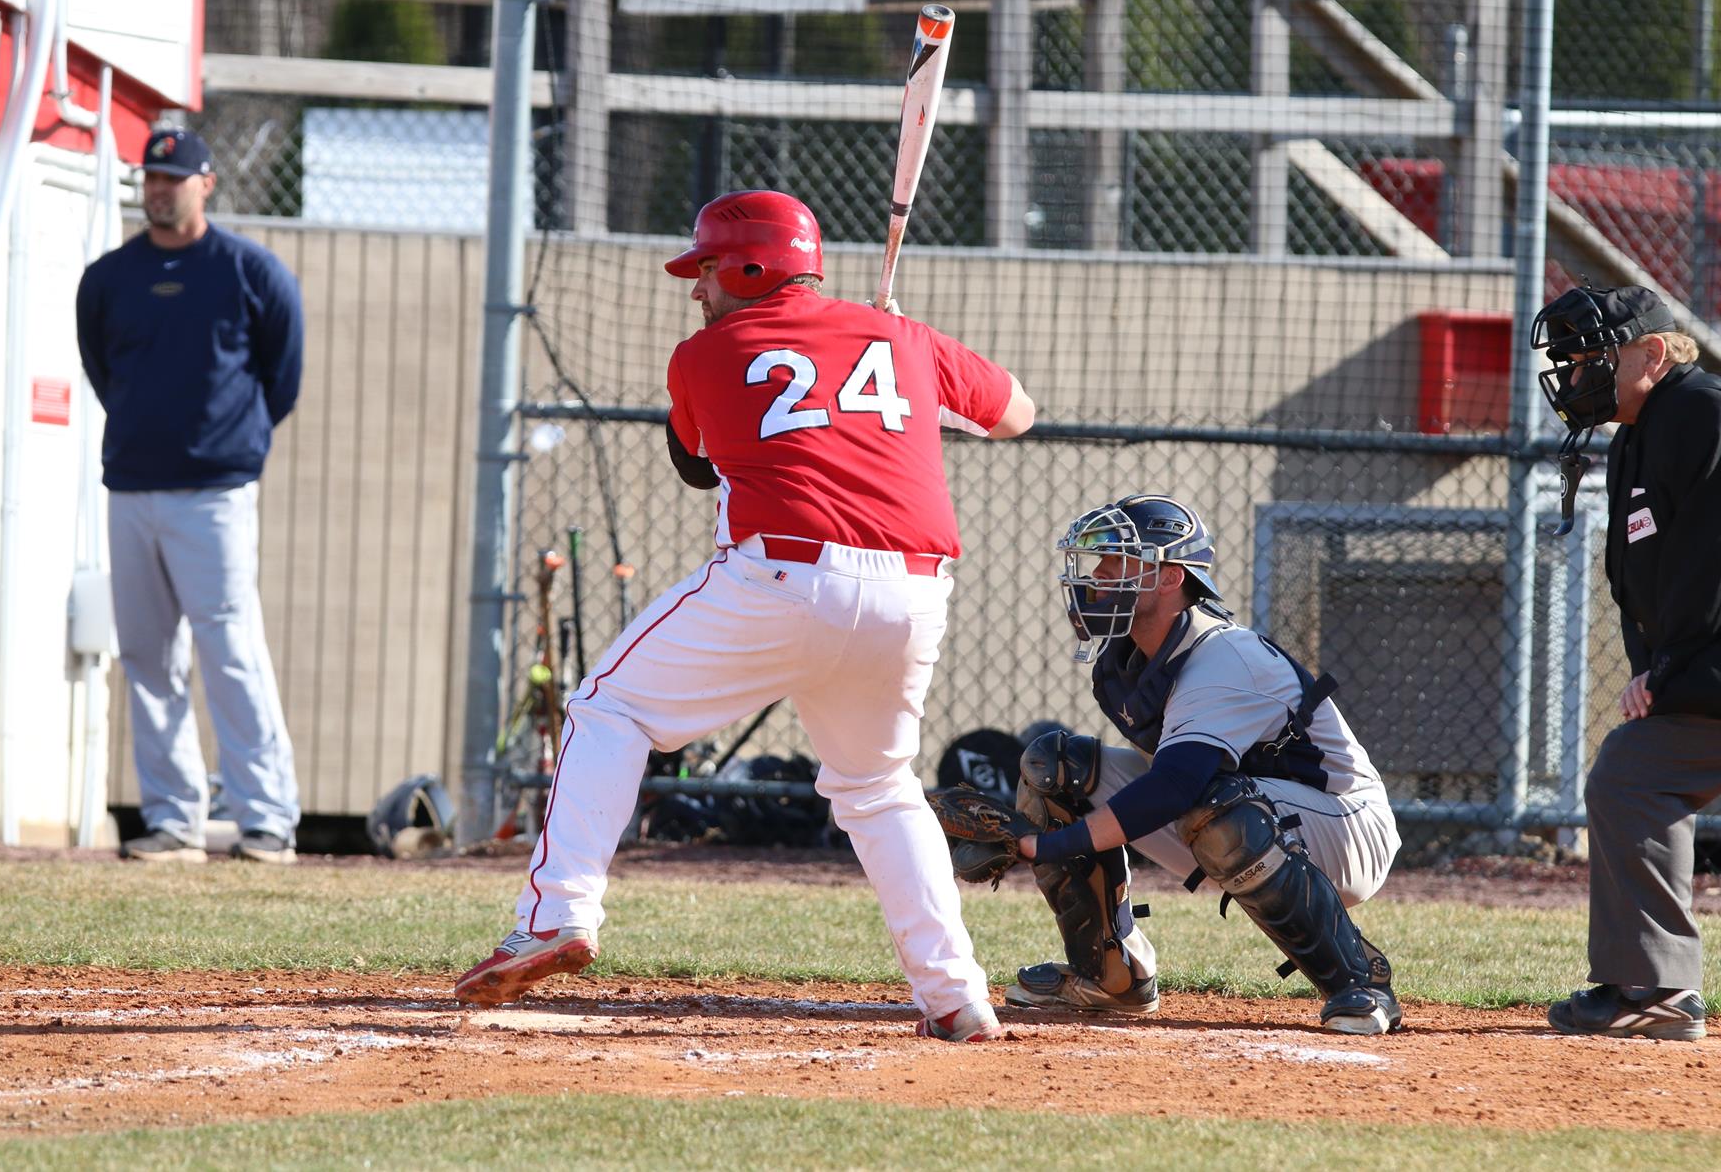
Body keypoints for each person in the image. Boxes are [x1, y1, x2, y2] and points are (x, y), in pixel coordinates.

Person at [454, 189, 1035, 1041]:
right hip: (913, 596)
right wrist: (904, 347)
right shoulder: (903, 338)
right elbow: (1017, 413)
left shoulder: (704, 354)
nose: (698, 288)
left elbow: (695, 463)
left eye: (709, 270)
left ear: (753, 267)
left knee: (609, 707)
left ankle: (558, 913)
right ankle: (956, 995)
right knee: (879, 787)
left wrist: (868, 351)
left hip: (783, 580)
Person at [935, 494, 1403, 1035]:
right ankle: (1113, 975)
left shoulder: (1224, 657)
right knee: (1056, 766)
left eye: (1118, 561)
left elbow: (1174, 786)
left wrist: (1042, 846)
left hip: (1347, 830)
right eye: (1099, 560)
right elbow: (1164, 785)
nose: (1098, 575)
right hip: (1255, 814)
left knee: (1217, 805)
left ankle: (1359, 982)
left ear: (1170, 577)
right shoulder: (1126, 659)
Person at [75, 126, 305, 865]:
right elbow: (102, 370)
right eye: (151, 177)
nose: (159, 189)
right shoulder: (109, 278)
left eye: (173, 177)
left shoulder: (250, 271)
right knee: (147, 656)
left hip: (215, 493)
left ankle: (267, 819)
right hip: (131, 487)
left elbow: (282, 377)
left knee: (231, 649)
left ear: (206, 183)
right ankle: (173, 820)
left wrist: (229, 442)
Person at [1531, 281, 1720, 1041]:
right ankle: (1656, 983)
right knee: (1635, 774)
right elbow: (1635, 581)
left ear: (1652, 353)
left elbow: (1709, 563)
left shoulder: (1702, 413)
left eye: (1591, 361)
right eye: (1572, 365)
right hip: (1698, 661)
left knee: (1632, 778)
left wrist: (1669, 668)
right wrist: (1652, 666)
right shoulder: (1639, 434)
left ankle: (1656, 985)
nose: (1578, 378)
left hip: (1707, 659)